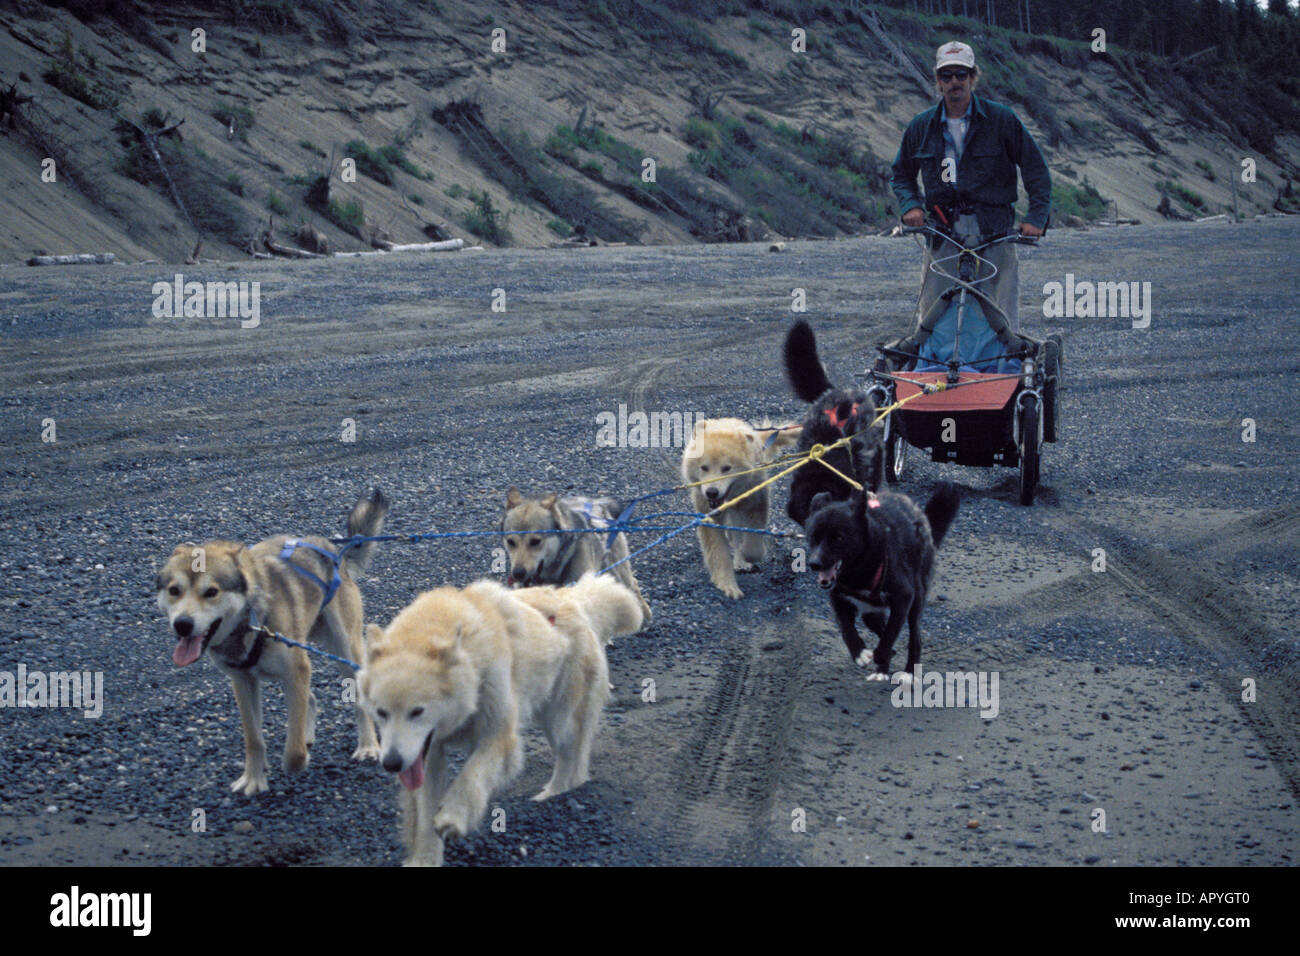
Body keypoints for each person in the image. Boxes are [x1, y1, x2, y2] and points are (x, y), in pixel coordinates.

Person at [890, 41, 1051, 353]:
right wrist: (910, 206)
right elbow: (901, 174)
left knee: (998, 306)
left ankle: (1001, 370)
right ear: (938, 81)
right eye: (947, 76)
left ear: (972, 77)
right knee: (936, 307)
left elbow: (1035, 168)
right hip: (941, 232)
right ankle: (936, 371)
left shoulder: (1002, 120)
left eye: (961, 75)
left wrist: (1036, 218)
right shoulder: (921, 127)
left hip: (995, 230)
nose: (954, 83)